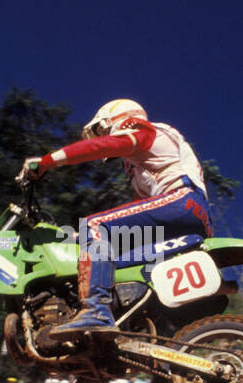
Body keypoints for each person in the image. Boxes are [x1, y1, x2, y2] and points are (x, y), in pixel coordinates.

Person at [20, 99, 212, 338]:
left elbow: (103, 146)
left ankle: (96, 310)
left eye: (102, 130)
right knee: (117, 256)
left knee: (94, 224)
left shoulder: (143, 128)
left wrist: (48, 162)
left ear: (117, 119)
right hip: (186, 215)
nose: (102, 137)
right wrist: (84, 241)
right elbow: (136, 210)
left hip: (181, 201)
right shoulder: (142, 165)